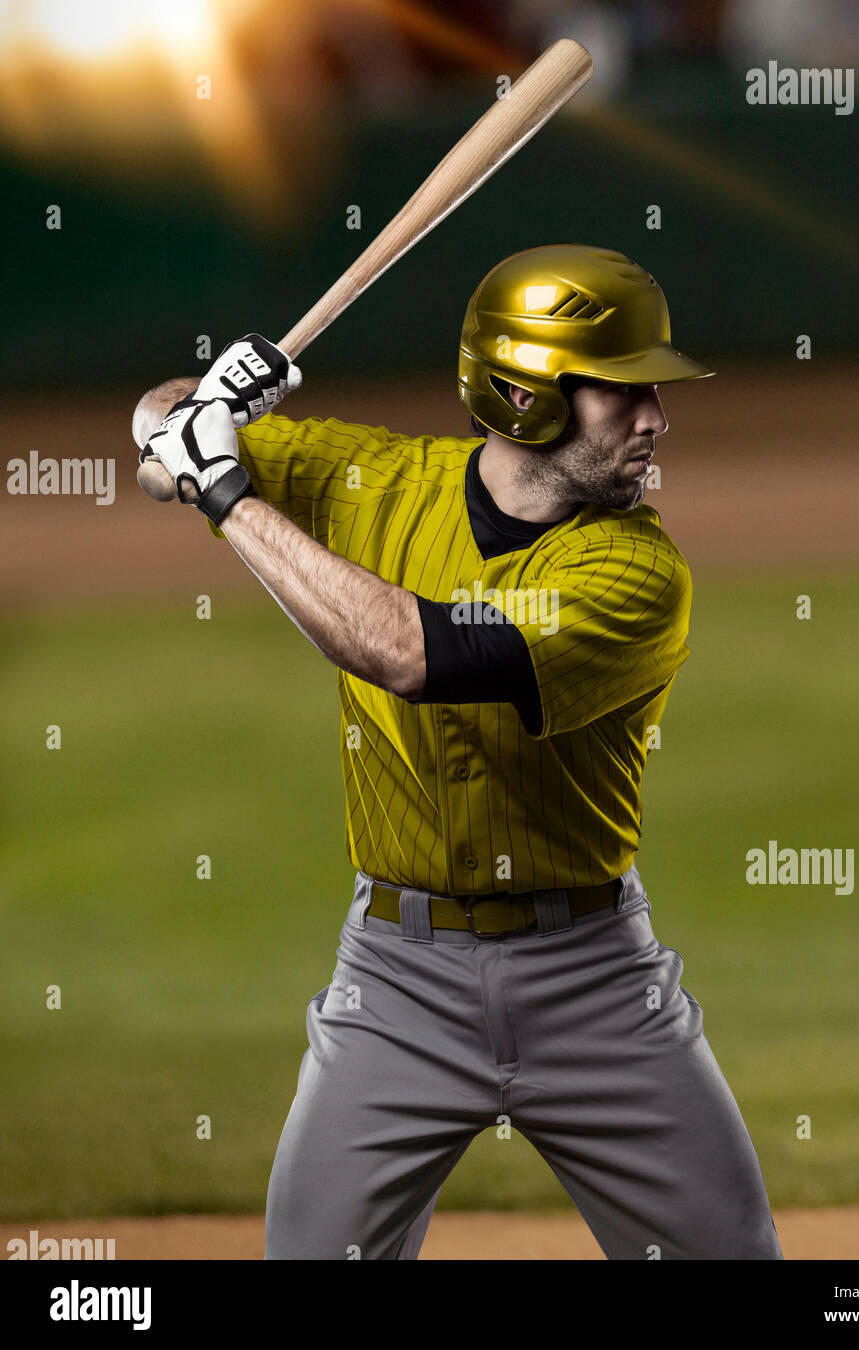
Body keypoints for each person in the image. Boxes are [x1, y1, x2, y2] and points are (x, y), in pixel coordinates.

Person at [133, 243, 783, 1261]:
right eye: (622, 391)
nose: (657, 418)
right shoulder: (376, 480)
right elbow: (152, 429)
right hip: (394, 982)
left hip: (594, 982)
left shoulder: (638, 574)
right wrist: (200, 400)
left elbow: (405, 650)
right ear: (525, 398)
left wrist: (227, 492)